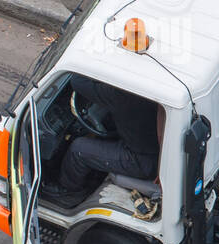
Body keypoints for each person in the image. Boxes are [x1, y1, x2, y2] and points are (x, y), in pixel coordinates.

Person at [42, 77, 159, 207]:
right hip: (150, 151)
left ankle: (67, 191)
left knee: (78, 148)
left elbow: (78, 82)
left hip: (139, 160)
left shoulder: (119, 95)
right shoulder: (148, 89)